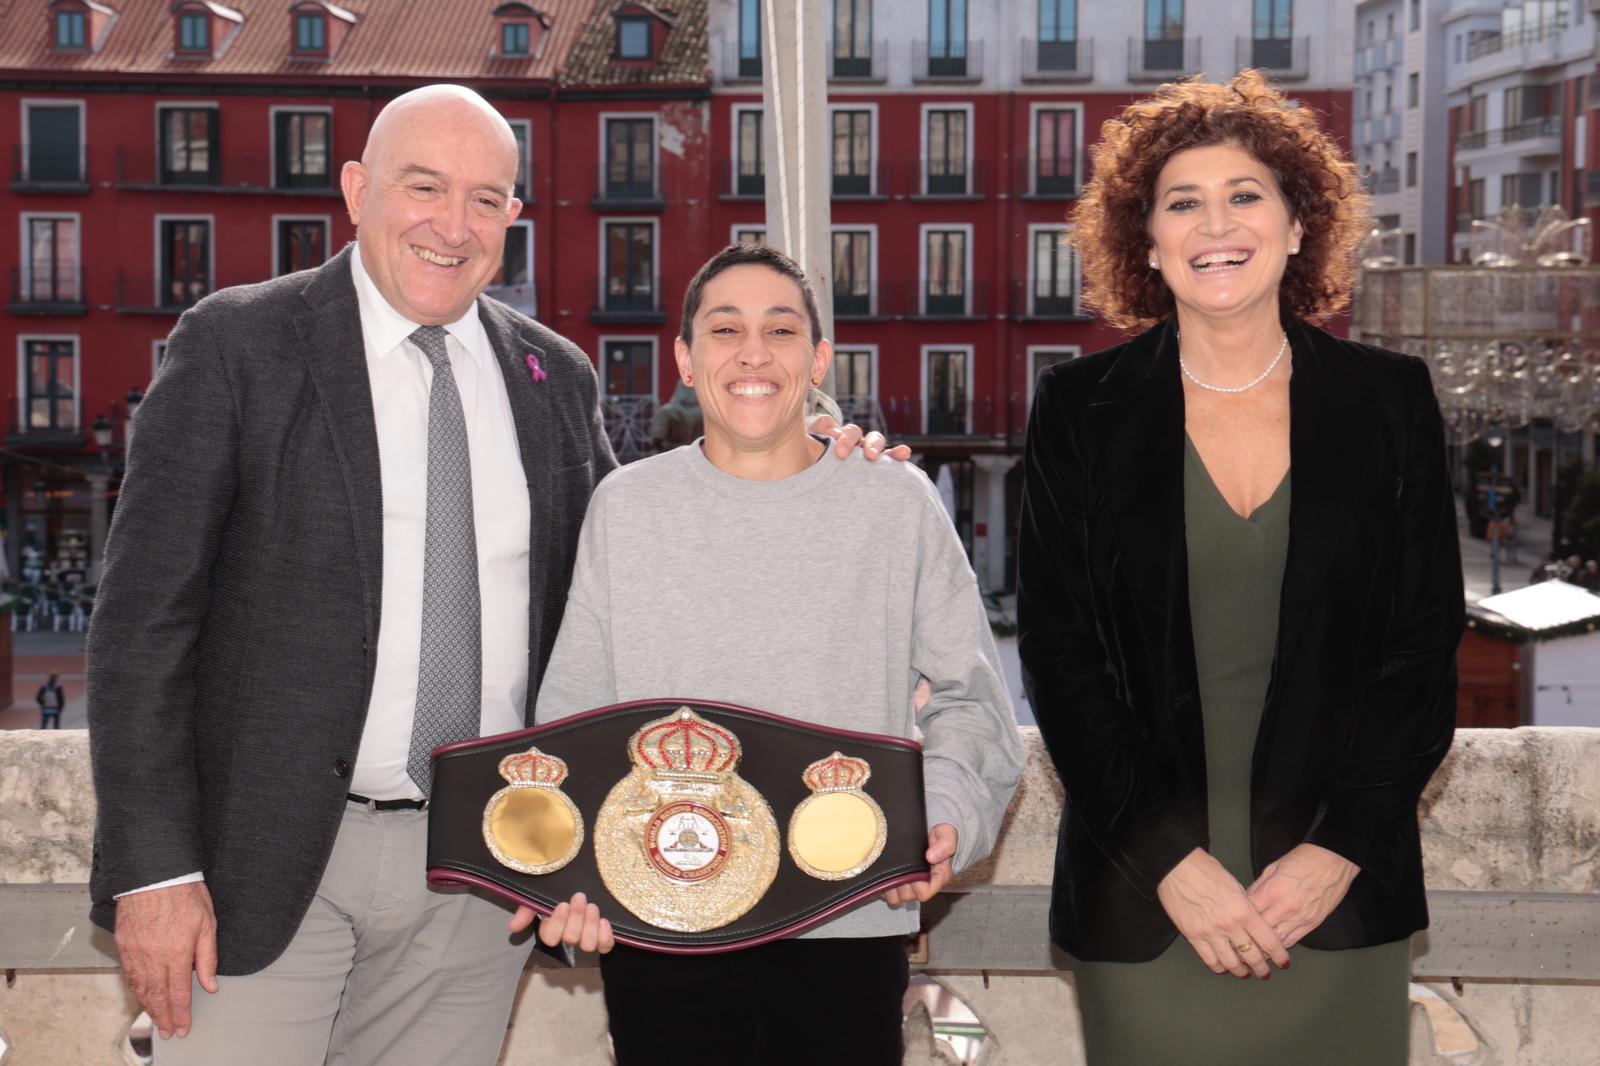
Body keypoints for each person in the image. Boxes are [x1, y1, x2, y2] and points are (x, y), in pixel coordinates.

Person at [85, 85, 896, 1066]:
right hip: (260, 865)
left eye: (484, 199)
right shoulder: (237, 344)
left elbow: (642, 572)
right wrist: (154, 870)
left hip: (483, 869)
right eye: (424, 187)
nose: (452, 225)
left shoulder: (552, 378)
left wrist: (817, 469)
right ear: (358, 190)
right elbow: (142, 625)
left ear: (512, 216)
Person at [1017, 72, 1464, 1065]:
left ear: (1298, 226)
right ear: (1146, 242)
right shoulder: (1078, 410)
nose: (1214, 225)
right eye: (1182, 203)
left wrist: (1337, 851)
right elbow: (1060, 656)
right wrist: (1168, 862)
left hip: (1333, 896)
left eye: (1245, 195)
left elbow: (1423, 649)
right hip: (1147, 898)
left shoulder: (1388, 401)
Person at [526, 243, 1025, 1065]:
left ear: (819, 360)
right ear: (686, 361)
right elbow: (572, 724)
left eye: (781, 330)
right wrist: (564, 877)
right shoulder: (626, 508)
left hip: (849, 919)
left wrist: (943, 816)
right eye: (725, 330)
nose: (753, 353)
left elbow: (971, 699)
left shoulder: (897, 504)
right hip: (665, 923)